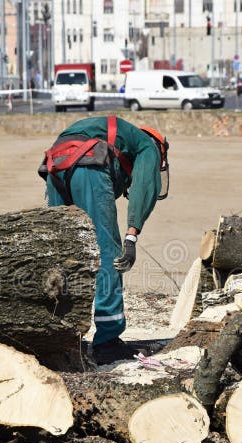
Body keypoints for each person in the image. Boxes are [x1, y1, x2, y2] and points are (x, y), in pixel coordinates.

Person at [38, 116, 169, 363]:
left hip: (55, 165)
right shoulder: (148, 145)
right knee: (108, 251)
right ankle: (108, 341)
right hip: (87, 165)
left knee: (60, 254)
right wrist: (131, 238)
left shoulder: (117, 136)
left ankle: (57, 336)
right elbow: (143, 187)